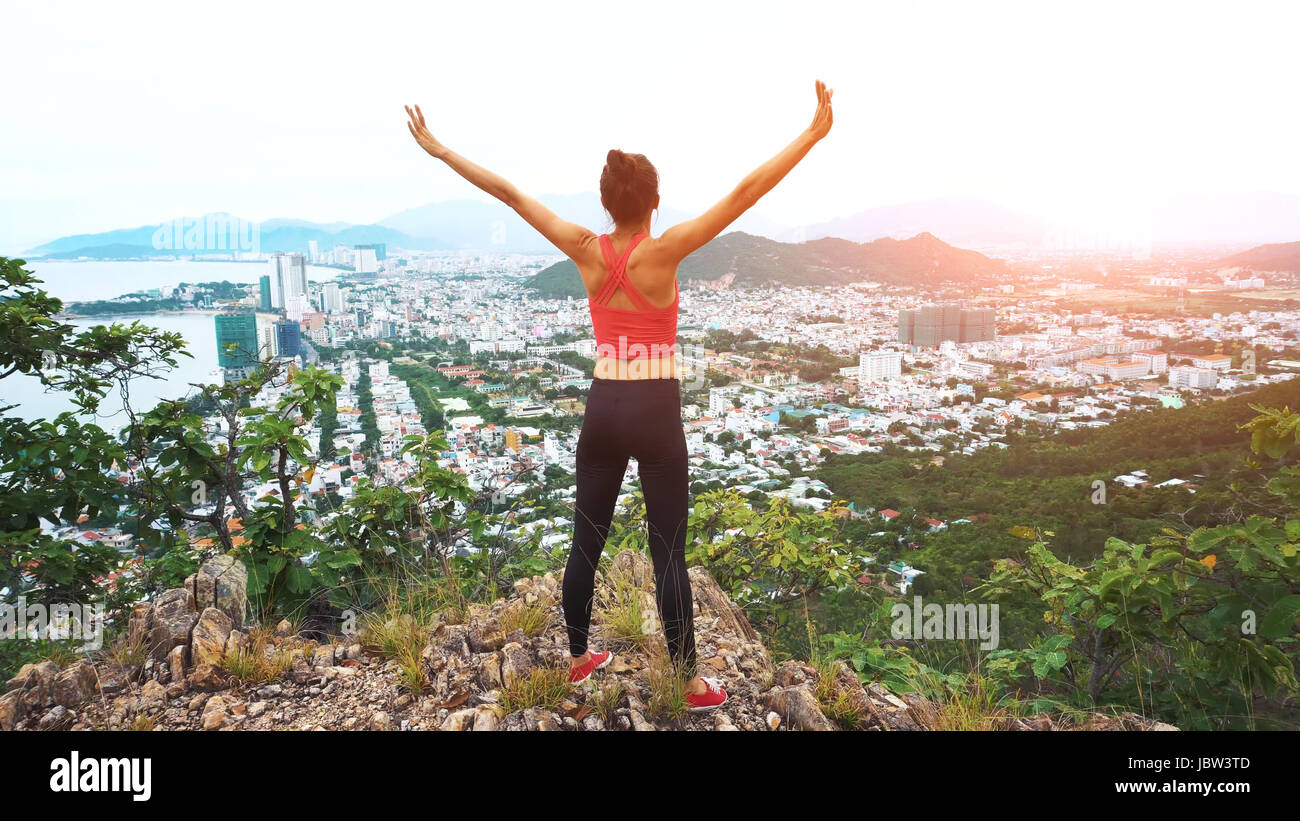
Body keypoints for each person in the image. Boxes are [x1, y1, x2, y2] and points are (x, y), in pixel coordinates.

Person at [405, 80, 833, 710]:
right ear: (654, 201)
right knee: (668, 551)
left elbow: (510, 193)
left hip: (603, 408)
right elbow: (746, 193)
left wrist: (441, 151)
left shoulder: (586, 249)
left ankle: (579, 657)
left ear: (605, 203)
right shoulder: (665, 251)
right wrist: (811, 135)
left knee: (586, 538)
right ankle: (688, 682)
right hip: (656, 412)